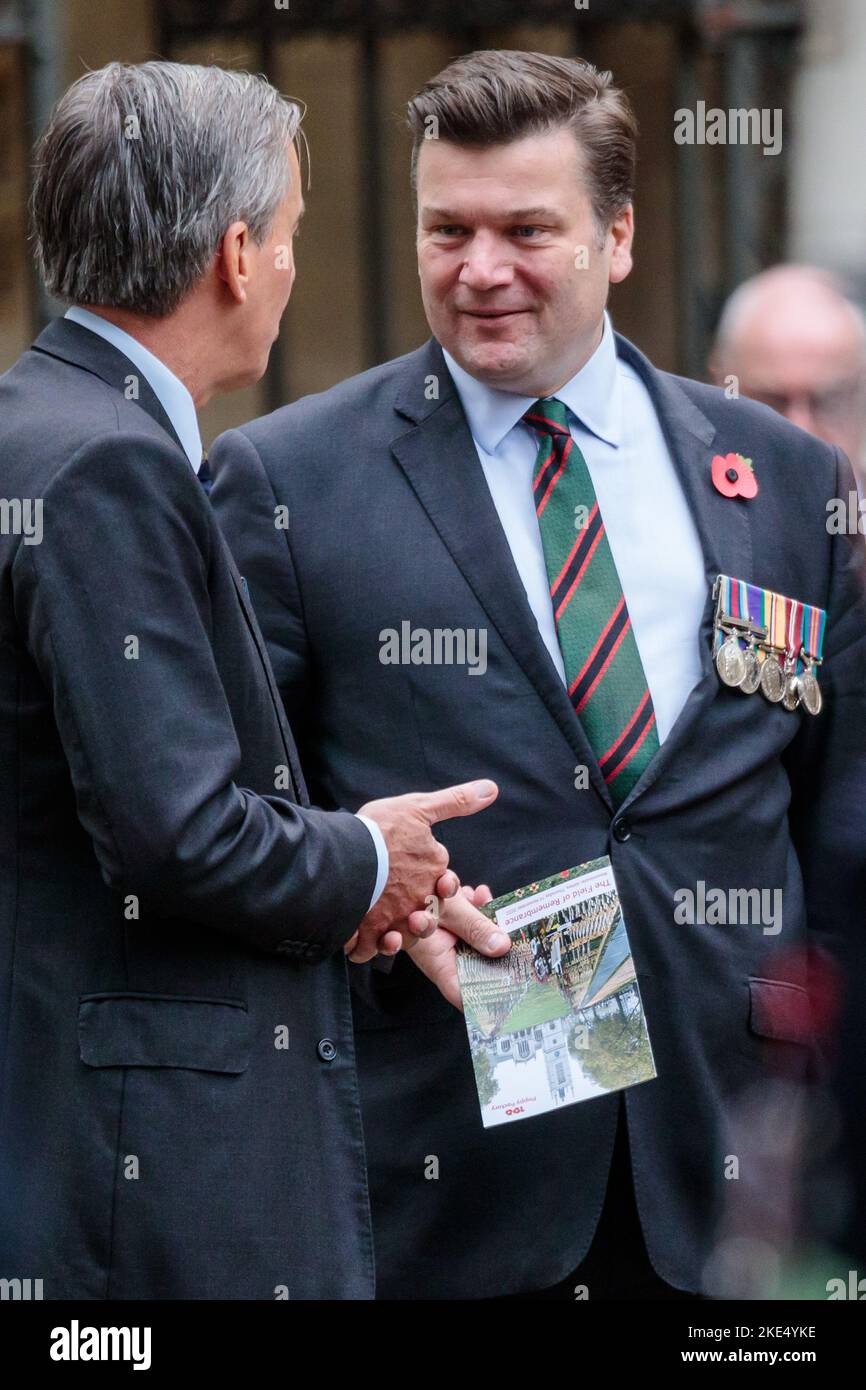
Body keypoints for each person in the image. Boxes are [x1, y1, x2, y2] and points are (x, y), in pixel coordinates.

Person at [211, 50, 866, 1299]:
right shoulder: (289, 483)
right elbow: (237, 809)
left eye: (526, 230)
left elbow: (838, 808)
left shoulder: (779, 475)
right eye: (445, 229)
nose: (479, 271)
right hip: (447, 1171)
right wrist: (362, 883)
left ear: (618, 237)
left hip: (740, 1162)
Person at [0, 59, 506, 1301]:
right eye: (286, 237)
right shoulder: (108, 463)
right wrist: (370, 861)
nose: (286, 266)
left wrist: (357, 883)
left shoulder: (43, 422)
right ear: (234, 254)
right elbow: (174, 830)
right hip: (146, 1173)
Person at [710, 264, 866, 489]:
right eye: (772, 403)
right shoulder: (675, 515)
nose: (801, 430)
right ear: (719, 386)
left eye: (828, 401)